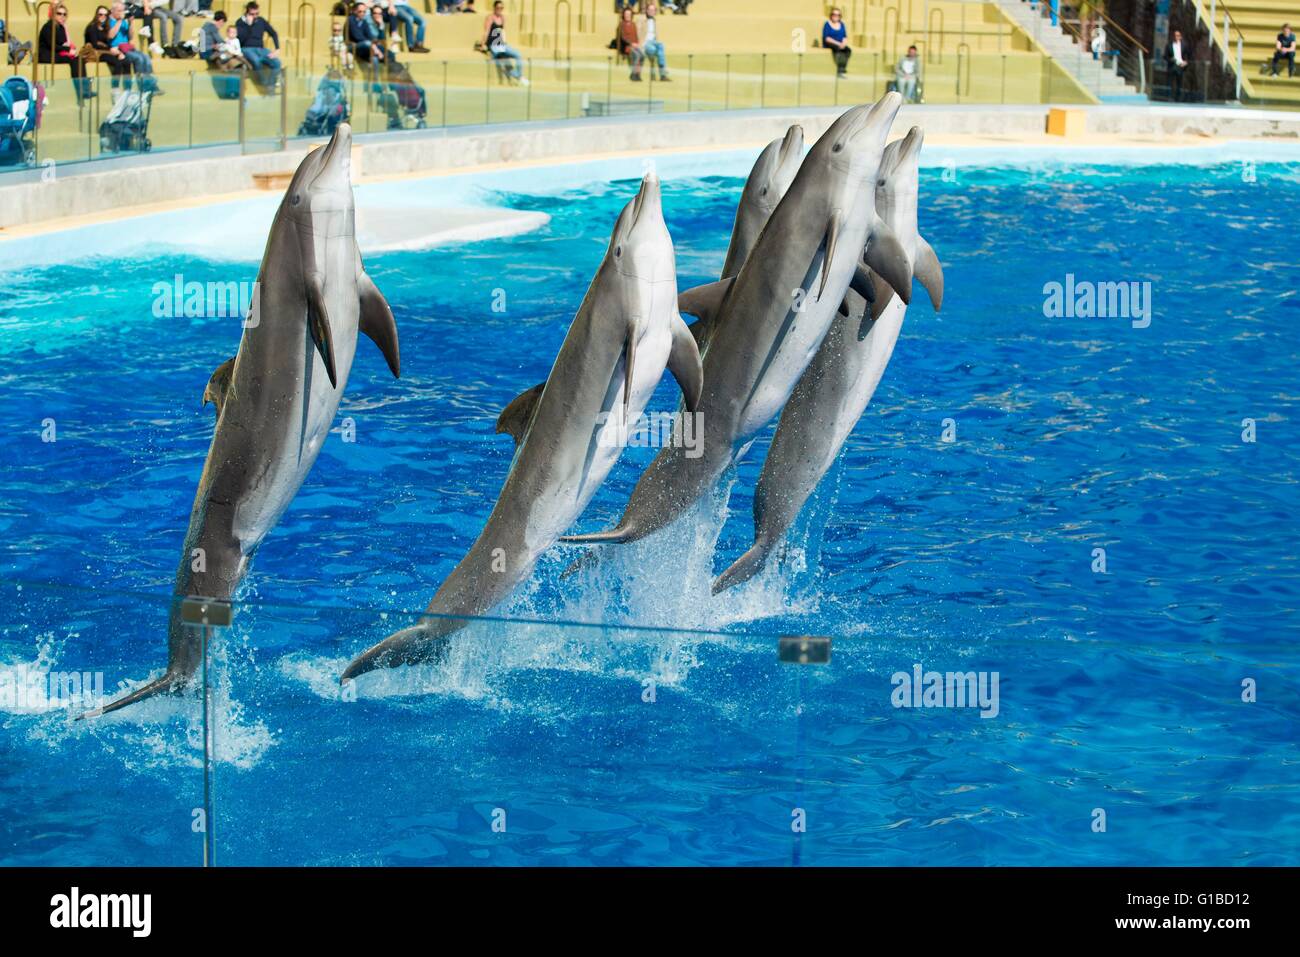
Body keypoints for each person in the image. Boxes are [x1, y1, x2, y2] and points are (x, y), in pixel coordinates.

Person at [37, 4, 90, 97]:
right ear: (54, 14)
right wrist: (68, 49)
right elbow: (52, 45)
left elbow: (63, 43)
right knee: (74, 60)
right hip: (47, 55)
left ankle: (85, 89)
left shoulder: (60, 27)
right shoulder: (48, 26)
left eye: (64, 14)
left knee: (79, 59)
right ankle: (81, 90)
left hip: (56, 54)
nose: (62, 16)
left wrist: (65, 30)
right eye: (59, 13)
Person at [108, 2, 161, 93]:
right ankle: (142, 85)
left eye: (122, 11)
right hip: (118, 49)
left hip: (127, 47)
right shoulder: (110, 21)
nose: (121, 13)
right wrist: (119, 21)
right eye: (119, 11)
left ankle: (150, 83)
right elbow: (111, 36)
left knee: (146, 57)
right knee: (138, 59)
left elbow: (131, 37)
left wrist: (131, 23)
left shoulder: (124, 21)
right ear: (112, 11)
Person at [235, 2, 281, 88]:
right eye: (252, 14)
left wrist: (277, 49)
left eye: (257, 13)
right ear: (246, 13)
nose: (255, 16)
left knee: (277, 62)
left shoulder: (261, 21)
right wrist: (248, 26)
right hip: (246, 48)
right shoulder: (240, 22)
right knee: (256, 60)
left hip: (260, 49)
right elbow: (240, 39)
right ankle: (263, 82)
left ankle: (270, 83)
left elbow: (273, 33)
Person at [84, 5, 132, 88]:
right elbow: (95, 45)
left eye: (105, 15)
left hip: (105, 51)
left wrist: (113, 50)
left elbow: (107, 42)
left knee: (126, 61)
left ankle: (128, 88)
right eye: (100, 14)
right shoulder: (92, 27)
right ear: (96, 15)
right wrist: (111, 50)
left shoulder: (105, 27)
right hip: (95, 53)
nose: (103, 17)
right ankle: (115, 89)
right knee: (117, 63)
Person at [482, 1, 526, 84]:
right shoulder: (490, 18)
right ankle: (513, 74)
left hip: (501, 45)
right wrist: (482, 44)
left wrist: (504, 42)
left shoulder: (502, 18)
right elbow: (486, 31)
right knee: (499, 57)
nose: (499, 10)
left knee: (518, 55)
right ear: (494, 8)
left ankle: (518, 75)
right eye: (498, 8)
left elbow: (503, 31)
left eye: (501, 8)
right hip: (493, 45)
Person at [638, 1, 669, 81]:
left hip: (653, 41)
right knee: (656, 51)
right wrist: (641, 45)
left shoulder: (655, 21)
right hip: (646, 42)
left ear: (655, 12)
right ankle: (661, 74)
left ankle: (662, 75)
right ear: (647, 11)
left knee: (661, 46)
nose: (651, 12)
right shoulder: (642, 19)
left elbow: (656, 35)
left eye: (653, 10)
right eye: (650, 10)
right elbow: (638, 33)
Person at [615, 5, 643, 80]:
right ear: (623, 15)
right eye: (626, 14)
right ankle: (633, 74)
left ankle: (638, 73)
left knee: (642, 55)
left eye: (629, 14)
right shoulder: (621, 25)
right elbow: (622, 37)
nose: (627, 16)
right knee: (637, 55)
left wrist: (637, 43)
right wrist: (631, 44)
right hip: (627, 46)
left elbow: (635, 36)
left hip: (634, 45)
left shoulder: (633, 24)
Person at [823, 6, 850, 77]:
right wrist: (838, 43)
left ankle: (842, 68)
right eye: (834, 14)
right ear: (831, 15)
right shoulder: (827, 24)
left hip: (840, 43)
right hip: (831, 43)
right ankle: (839, 70)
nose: (836, 16)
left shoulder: (842, 24)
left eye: (838, 15)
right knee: (838, 50)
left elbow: (844, 36)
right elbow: (826, 38)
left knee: (848, 50)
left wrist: (844, 43)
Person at [1164, 28, 1187, 102]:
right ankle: (1169, 98)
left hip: (1180, 66)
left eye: (1178, 35)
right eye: (1175, 35)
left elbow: (1187, 55)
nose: (1176, 37)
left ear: (1180, 36)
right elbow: (1165, 56)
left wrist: (1185, 62)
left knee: (1179, 84)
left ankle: (1178, 99)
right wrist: (1171, 59)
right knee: (1170, 83)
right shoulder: (1169, 45)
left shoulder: (1184, 45)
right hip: (1172, 65)